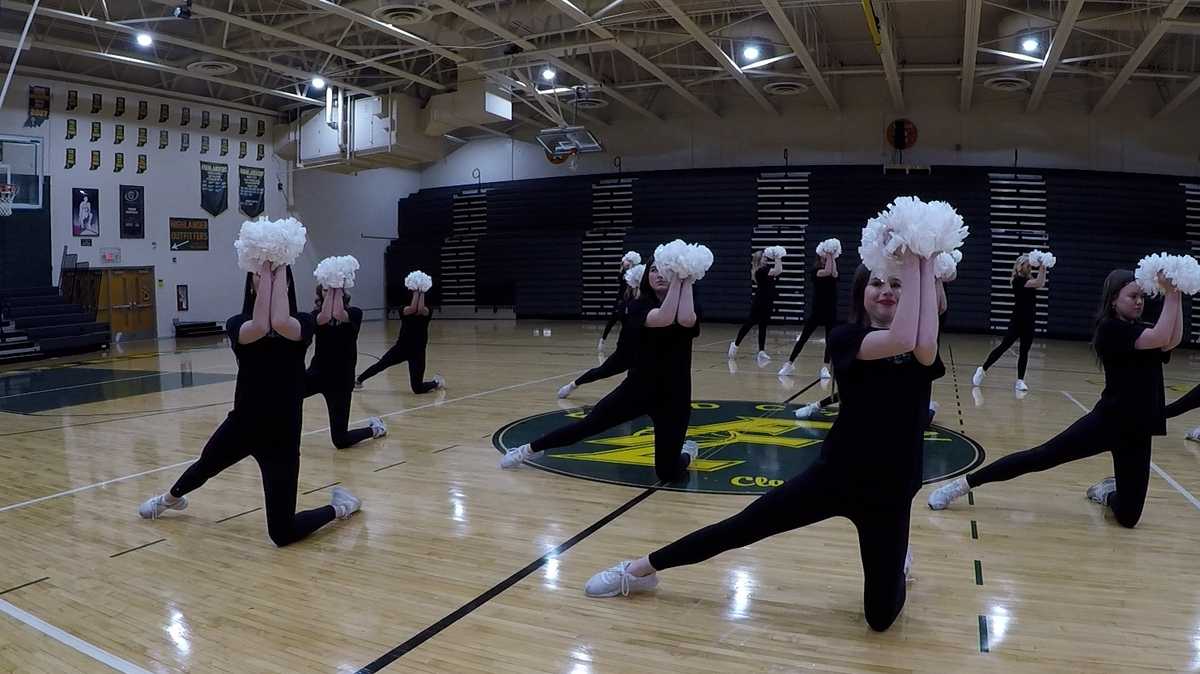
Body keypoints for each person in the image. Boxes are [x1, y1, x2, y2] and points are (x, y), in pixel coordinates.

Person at [585, 254, 943, 633]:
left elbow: (919, 340)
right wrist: (917, 260)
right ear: (860, 293)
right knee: (741, 527)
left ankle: (895, 560)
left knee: (881, 619)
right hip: (837, 476)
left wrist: (925, 261)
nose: (886, 291)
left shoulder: (920, 348)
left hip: (891, 490)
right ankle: (639, 569)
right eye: (876, 283)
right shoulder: (845, 338)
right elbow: (899, 338)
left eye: (895, 284)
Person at [930, 269, 1182, 528]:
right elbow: (1161, 336)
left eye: (1142, 296)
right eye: (1133, 296)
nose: (1139, 301)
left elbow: (1171, 339)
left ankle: (1108, 491)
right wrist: (1172, 292)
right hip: (1109, 422)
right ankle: (963, 484)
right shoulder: (1111, 329)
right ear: (1114, 299)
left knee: (1129, 518)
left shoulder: (1142, 330)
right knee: (1041, 457)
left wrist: (1179, 292)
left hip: (1138, 430)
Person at [138, 262, 362, 546]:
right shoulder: (237, 323)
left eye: (275, 274)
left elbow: (282, 323)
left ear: (287, 283)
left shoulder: (302, 322)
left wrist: (281, 268)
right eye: (258, 275)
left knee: (282, 533)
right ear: (251, 282)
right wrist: (267, 270)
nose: (265, 277)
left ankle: (340, 507)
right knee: (204, 466)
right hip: (242, 425)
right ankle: (169, 499)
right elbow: (260, 326)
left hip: (283, 437)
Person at [501, 257, 702, 483]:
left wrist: (684, 278)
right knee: (587, 426)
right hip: (637, 390)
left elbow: (685, 319)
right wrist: (678, 279)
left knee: (668, 473)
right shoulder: (638, 306)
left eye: (665, 271)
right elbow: (664, 318)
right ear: (646, 277)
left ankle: (687, 452)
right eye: (653, 270)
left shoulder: (689, 307)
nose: (659, 275)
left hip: (675, 397)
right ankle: (528, 449)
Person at [307, 285, 386, 448]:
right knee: (287, 396)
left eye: (335, 289)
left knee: (340, 440)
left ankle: (375, 429)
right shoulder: (315, 315)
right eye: (325, 290)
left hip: (341, 381)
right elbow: (324, 317)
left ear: (343, 292)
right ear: (319, 294)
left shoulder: (354, 313)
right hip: (317, 374)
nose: (330, 292)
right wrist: (332, 289)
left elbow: (337, 314)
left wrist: (335, 288)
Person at [560, 264, 643, 399]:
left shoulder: (650, 303)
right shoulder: (627, 304)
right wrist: (624, 268)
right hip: (624, 352)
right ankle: (573, 385)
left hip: (642, 353)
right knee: (600, 372)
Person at [973, 254, 1047, 392]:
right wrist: (1043, 266)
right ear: (1020, 266)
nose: (1030, 267)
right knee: (1004, 346)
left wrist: (1043, 266)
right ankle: (982, 369)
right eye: (1027, 265)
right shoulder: (1017, 280)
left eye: (1030, 265)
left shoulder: (1029, 279)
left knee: (1024, 351)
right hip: (1018, 320)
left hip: (1030, 320)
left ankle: (1020, 381)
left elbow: (1040, 283)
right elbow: (1039, 283)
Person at [356, 283, 444, 393]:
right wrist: (417, 292)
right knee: (381, 364)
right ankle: (359, 380)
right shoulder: (403, 309)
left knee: (417, 388)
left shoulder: (428, 310)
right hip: (401, 348)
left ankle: (436, 382)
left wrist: (421, 291)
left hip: (418, 352)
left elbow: (420, 309)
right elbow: (413, 309)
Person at [779, 250, 838, 378]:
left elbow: (833, 272)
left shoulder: (832, 269)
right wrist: (829, 254)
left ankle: (825, 368)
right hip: (817, 310)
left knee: (830, 340)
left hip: (831, 309)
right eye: (824, 256)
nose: (826, 258)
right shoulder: (815, 271)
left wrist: (832, 255)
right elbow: (827, 271)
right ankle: (789, 363)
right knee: (804, 337)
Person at [729, 249, 782, 361]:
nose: (766, 258)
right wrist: (778, 256)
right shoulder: (761, 271)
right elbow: (778, 270)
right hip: (759, 301)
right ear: (759, 260)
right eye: (764, 257)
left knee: (763, 325)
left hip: (767, 301)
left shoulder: (766, 269)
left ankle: (761, 351)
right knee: (749, 323)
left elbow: (776, 271)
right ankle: (735, 344)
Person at [599, 254, 637, 351]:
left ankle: (622, 344)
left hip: (629, 302)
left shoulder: (634, 275)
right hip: (620, 301)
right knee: (612, 321)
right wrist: (623, 267)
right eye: (626, 262)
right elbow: (620, 278)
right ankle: (602, 340)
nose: (628, 263)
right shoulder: (622, 274)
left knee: (626, 323)